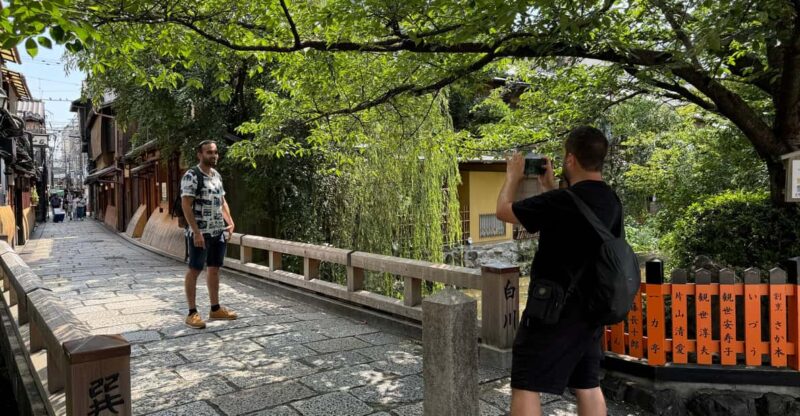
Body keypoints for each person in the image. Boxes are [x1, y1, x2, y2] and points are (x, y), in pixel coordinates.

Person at [496, 126, 621, 416]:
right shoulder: (611, 200)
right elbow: (577, 221)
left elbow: (503, 211)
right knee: (587, 382)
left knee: (526, 381)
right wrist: (549, 188)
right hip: (593, 308)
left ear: (570, 159)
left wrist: (512, 176)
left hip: (553, 308)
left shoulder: (562, 201)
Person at [180, 139, 237, 329]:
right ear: (200, 154)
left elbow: (222, 201)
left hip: (217, 231)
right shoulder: (192, 175)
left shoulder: (217, 176)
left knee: (214, 268)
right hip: (200, 232)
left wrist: (229, 221)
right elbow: (186, 205)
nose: (213, 155)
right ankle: (192, 312)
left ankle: (215, 308)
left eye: (215, 152)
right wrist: (196, 232)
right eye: (209, 152)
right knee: (195, 269)